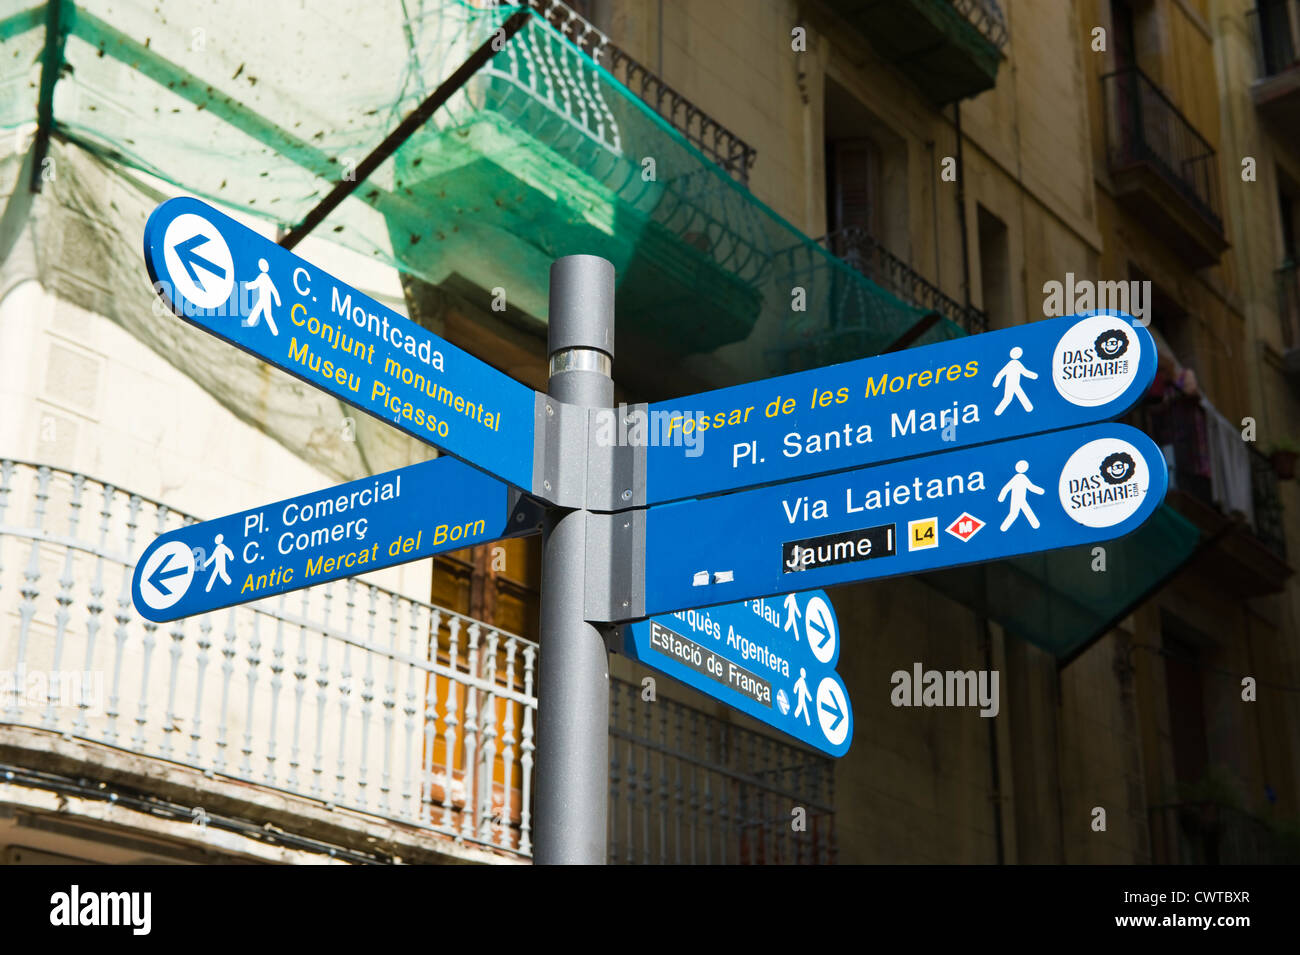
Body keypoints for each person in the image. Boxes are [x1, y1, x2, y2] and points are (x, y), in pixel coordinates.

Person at [998, 460, 1044, 531]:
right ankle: (1003, 528)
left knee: (1026, 511)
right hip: (1015, 499)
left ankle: (1035, 525)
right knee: (1014, 514)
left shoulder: (1023, 477)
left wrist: (1040, 491)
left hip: (1022, 499)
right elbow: (1006, 488)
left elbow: (1030, 487)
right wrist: (1001, 497)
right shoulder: (1016, 478)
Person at [992, 346, 1037, 415]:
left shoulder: (1017, 363)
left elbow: (1024, 372)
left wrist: (1033, 375)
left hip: (1015, 384)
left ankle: (1029, 408)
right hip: (1009, 384)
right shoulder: (1011, 364)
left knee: (1017, 395)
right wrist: (996, 382)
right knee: (1008, 398)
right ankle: (997, 412)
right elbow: (1001, 373)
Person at [243, 258, 281, 335]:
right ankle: (250, 321)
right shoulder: (263, 276)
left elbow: (272, 289)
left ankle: (275, 332)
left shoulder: (264, 277)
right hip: (263, 298)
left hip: (266, 298)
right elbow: (256, 284)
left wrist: (247, 286)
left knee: (267, 314)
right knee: (259, 310)